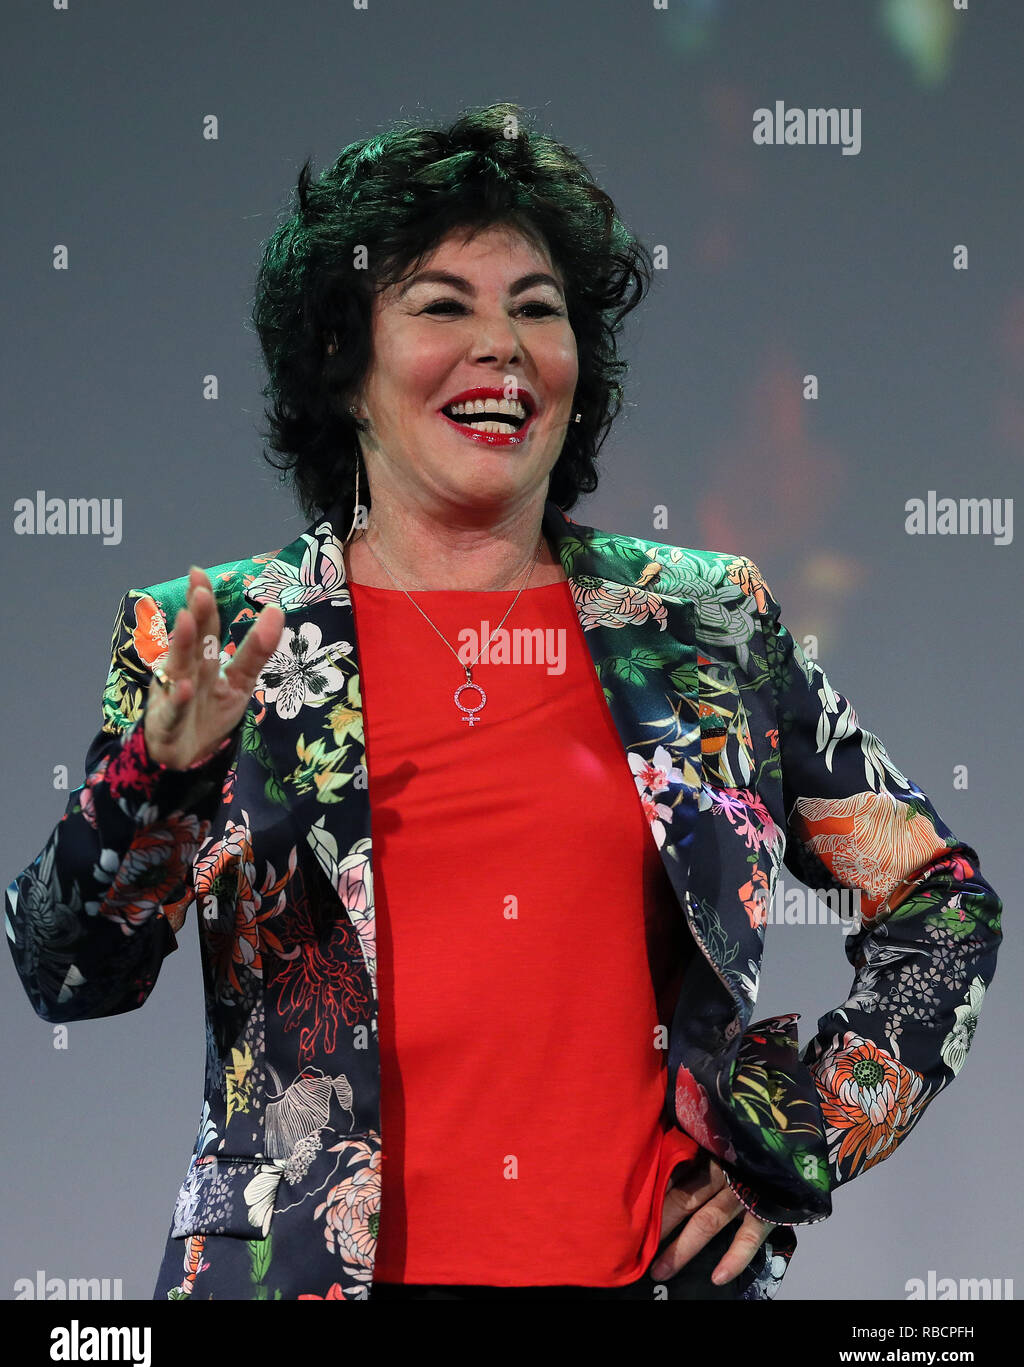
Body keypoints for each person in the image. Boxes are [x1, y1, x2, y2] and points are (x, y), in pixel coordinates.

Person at [5, 103, 1002, 1302]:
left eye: (538, 307)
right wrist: (158, 779)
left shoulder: (703, 621)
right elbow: (68, 974)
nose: (505, 346)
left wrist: (790, 1137)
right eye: (442, 306)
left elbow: (938, 901)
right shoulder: (215, 633)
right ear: (345, 364)